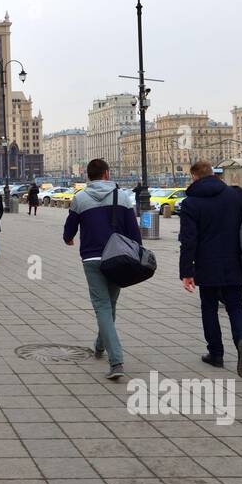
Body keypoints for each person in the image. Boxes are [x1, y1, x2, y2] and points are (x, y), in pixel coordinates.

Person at [178, 160, 242, 378]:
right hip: (234, 261)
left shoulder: (191, 202)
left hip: (206, 263)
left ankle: (216, 354)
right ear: (214, 174)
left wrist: (186, 271)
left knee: (209, 308)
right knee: (236, 306)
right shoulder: (235, 194)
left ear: (194, 177)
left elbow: (188, 240)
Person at [63, 160, 139, 380]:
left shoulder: (80, 198)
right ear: (107, 174)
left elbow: (70, 228)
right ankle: (106, 351)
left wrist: (68, 239)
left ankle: (112, 357)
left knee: (104, 307)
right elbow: (133, 232)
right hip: (119, 258)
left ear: (88, 176)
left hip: (92, 259)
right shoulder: (122, 197)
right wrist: (138, 254)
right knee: (109, 306)